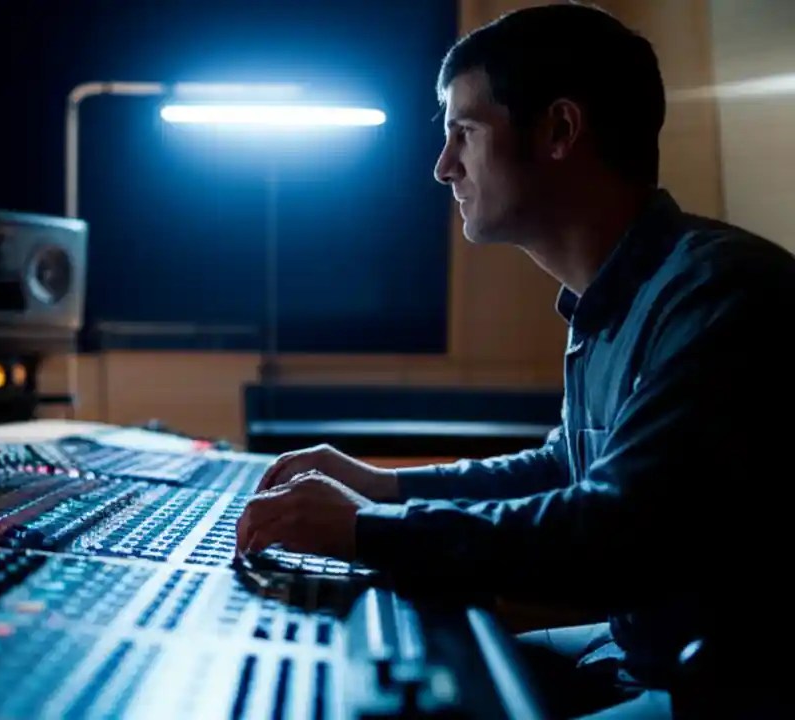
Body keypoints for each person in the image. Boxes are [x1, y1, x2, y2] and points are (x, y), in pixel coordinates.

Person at [234, 3, 795, 718]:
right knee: (365, 675)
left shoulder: (719, 294)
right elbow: (565, 468)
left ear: (559, 130)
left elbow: (610, 533)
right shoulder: (613, 299)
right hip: (642, 647)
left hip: (724, 685)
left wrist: (366, 528)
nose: (443, 168)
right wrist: (382, 488)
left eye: (463, 133)